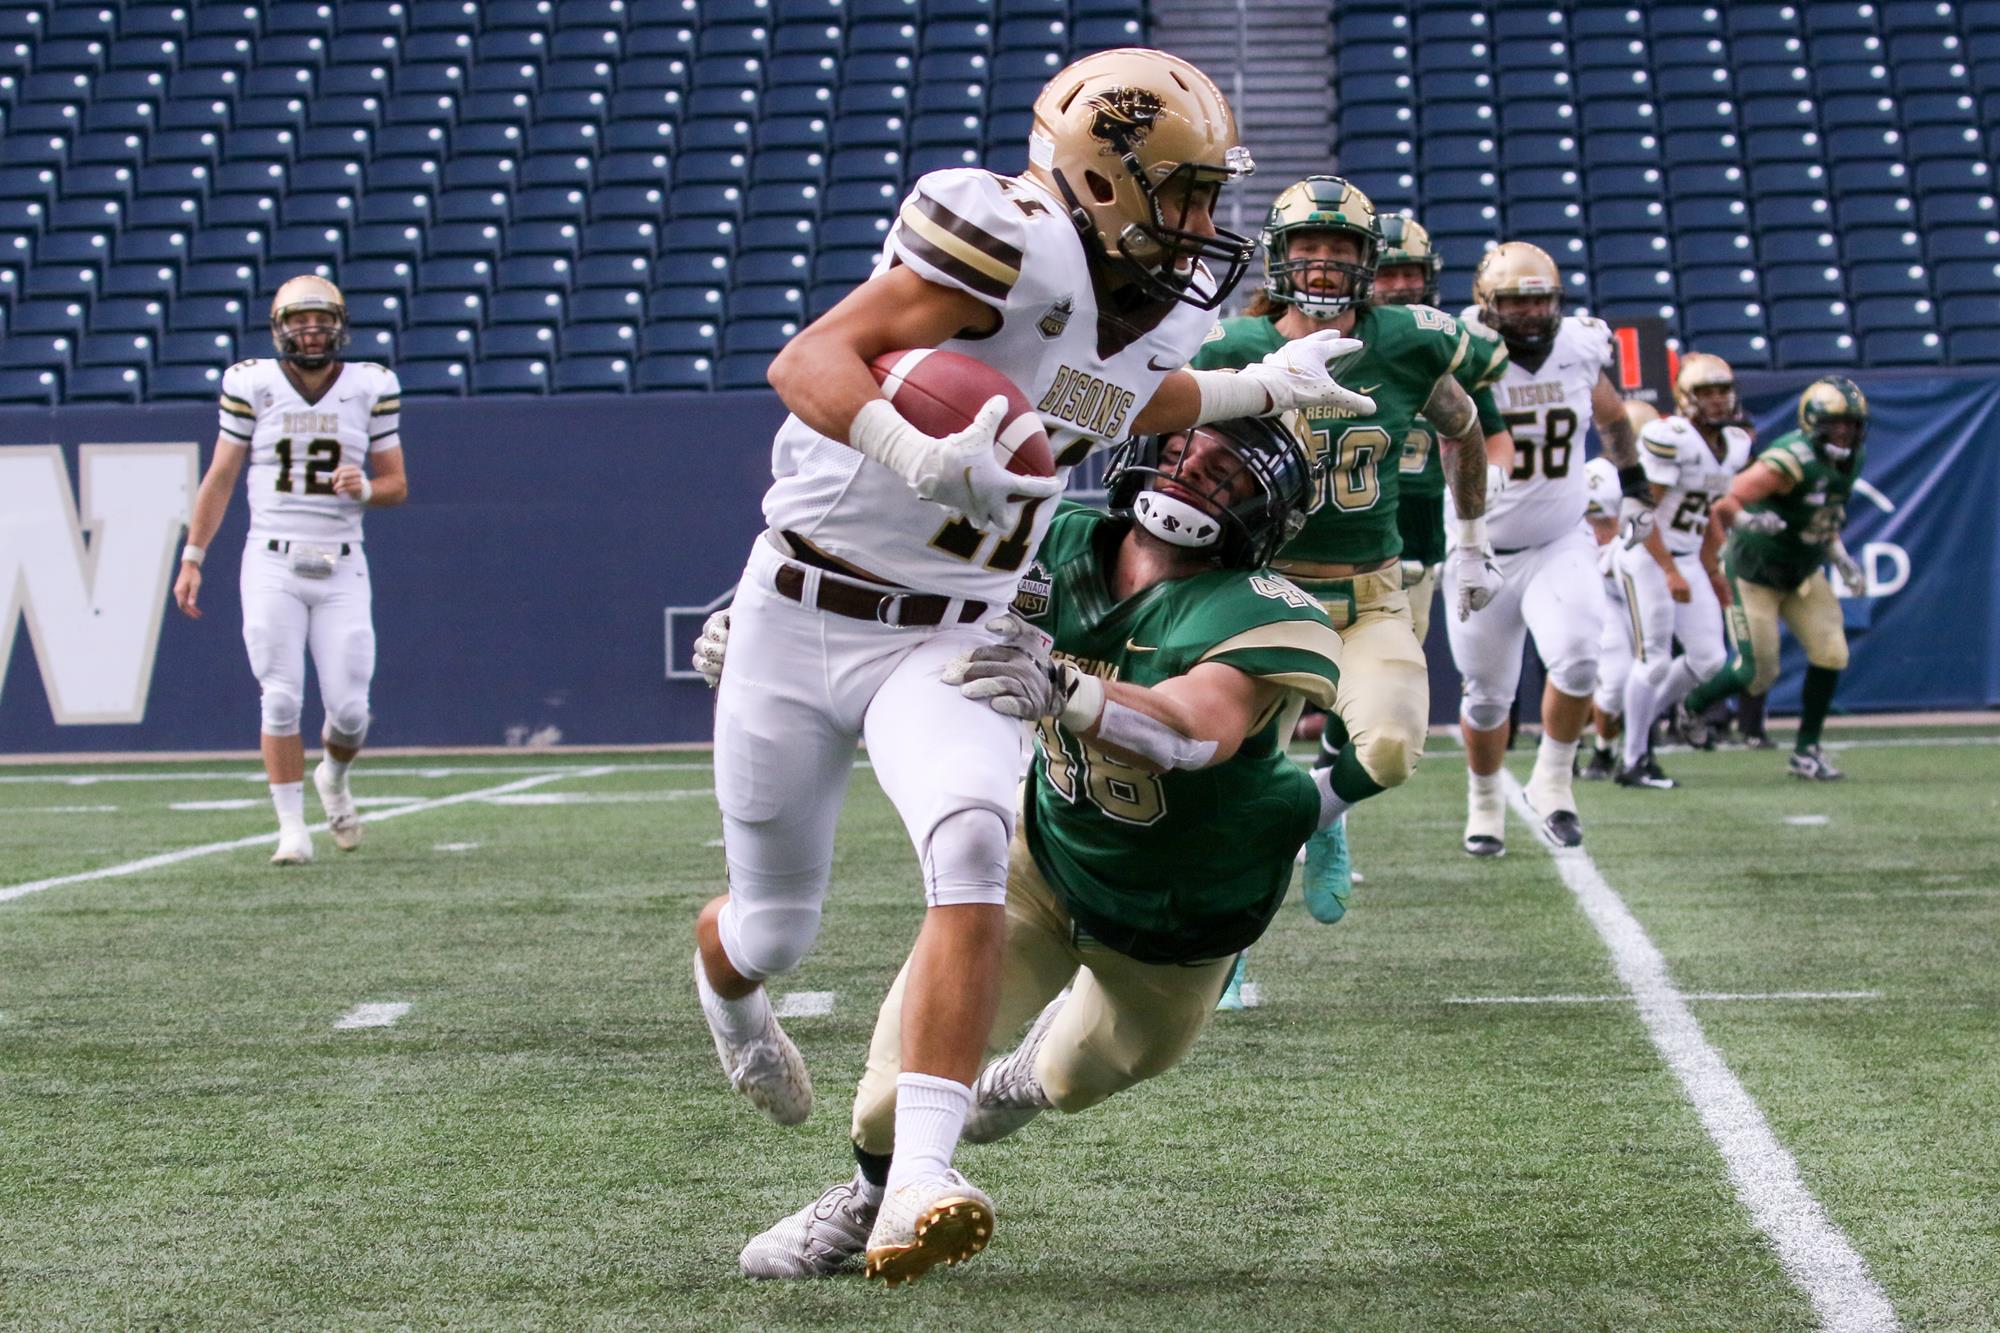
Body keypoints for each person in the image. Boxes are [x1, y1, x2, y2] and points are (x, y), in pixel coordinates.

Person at [690, 49, 1375, 1287]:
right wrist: (909, 445)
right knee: (772, 930)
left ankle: (916, 1180)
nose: (1207, 225)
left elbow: (1103, 394)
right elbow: (807, 364)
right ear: (1101, 180)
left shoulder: (1148, 302)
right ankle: (733, 1002)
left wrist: (1248, 385)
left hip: (948, 622)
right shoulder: (1003, 239)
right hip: (800, 609)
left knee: (966, 843)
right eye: (1186, 192)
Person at [711, 416, 1344, 1281]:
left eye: (1227, 473)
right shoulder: (1050, 537)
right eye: (1180, 451)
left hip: (1186, 914)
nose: (1192, 475)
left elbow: (1197, 732)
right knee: (887, 1097)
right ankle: (867, 1200)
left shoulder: (1268, 611)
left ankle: (1019, 1076)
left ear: (1270, 512)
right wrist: (775, 630)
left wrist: (1071, 692)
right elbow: (890, 573)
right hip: (1040, 858)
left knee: (1080, 1078)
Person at [1189, 176, 1503, 926]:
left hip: (1370, 596)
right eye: (1308, 247)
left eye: (1340, 248)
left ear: (1368, 258)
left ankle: (1318, 818)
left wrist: (1470, 541)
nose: (1324, 262)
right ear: (1280, 256)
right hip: (1260, 594)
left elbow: (1462, 427)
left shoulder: (1405, 342)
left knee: (1392, 747)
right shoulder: (1236, 346)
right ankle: (1219, 941)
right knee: (1221, 772)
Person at [172, 275, 407, 864]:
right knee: (279, 698)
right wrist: (193, 555)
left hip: (342, 562)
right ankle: (291, 830)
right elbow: (221, 476)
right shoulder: (251, 383)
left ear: (339, 326)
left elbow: (397, 486)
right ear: (280, 328)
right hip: (272, 558)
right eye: (300, 321)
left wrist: (366, 489)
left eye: (321, 320)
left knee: (351, 710)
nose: (311, 331)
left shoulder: (369, 386)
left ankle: (333, 777)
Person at [1445, 242, 1657, 856]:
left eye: (1542, 300)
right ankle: (1483, 802)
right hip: (1479, 543)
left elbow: (1613, 417)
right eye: (1517, 302)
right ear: (1487, 304)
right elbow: (1445, 445)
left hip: (1560, 537)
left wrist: (1635, 481)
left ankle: (1553, 782)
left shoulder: (1581, 345)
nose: (1533, 314)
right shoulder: (1460, 349)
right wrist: (1464, 541)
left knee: (1580, 660)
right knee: (1486, 698)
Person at [1684, 377, 1870, 780]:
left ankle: (1806, 751)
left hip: (1802, 570)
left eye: (1851, 424)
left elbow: (1825, 515)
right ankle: (1692, 706)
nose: (1844, 432)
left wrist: (1839, 557)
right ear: (1812, 421)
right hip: (1755, 570)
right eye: (1836, 423)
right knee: (1757, 670)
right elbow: (1726, 500)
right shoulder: (1789, 459)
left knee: (1832, 653)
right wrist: (1751, 520)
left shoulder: (1852, 459)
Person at [1611, 354, 1751, 789]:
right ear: (1686, 398)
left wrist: (1713, 569)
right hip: (1647, 553)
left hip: (1687, 555)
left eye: (1722, 391)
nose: (1716, 400)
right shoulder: (1670, 436)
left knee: (1709, 659)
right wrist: (1670, 569)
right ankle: (1633, 759)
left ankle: (1639, 723)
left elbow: (1705, 510)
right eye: (1705, 392)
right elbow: (1642, 510)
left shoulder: (1735, 442)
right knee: (1653, 661)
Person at [1375, 216, 1510, 651]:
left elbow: (1490, 431)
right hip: (1339, 515)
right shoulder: (1334, 337)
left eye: (1410, 272)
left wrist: (1494, 476)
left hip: (1419, 520)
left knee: (1396, 657)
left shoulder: (1442, 342)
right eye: (1387, 273)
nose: (1399, 285)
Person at [1579, 401, 1661, 782]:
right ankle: (1602, 749)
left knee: (1649, 667)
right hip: (1606, 586)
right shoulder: (1597, 475)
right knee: (1614, 680)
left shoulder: (1663, 473)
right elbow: (1600, 530)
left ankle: (1635, 750)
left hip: (1641, 583)